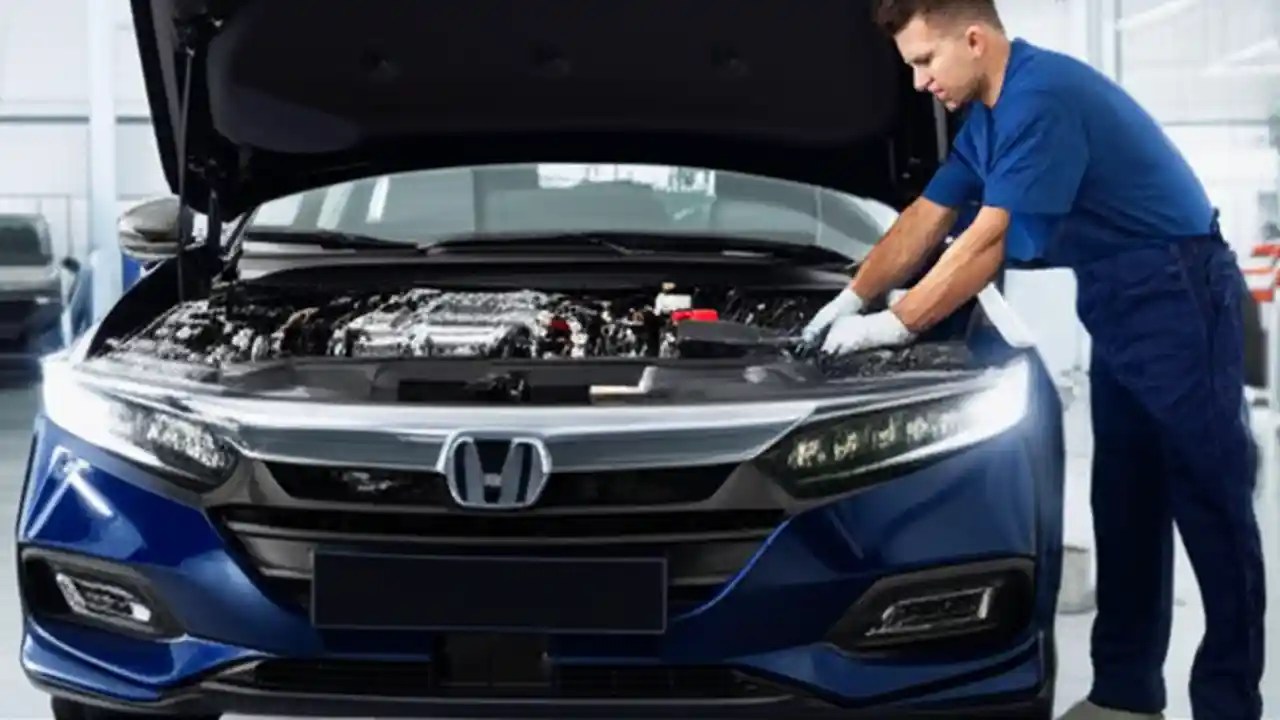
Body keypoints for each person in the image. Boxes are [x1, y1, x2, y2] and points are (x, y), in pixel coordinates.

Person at [802, 1, 1266, 718]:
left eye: (925, 61)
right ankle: (1126, 695)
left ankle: (1229, 703)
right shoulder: (986, 119)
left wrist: (894, 324)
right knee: (1124, 497)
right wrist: (852, 296)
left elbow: (986, 242)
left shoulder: (1041, 99)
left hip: (1181, 290)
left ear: (974, 39)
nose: (920, 81)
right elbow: (927, 216)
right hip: (1118, 295)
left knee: (1210, 501)